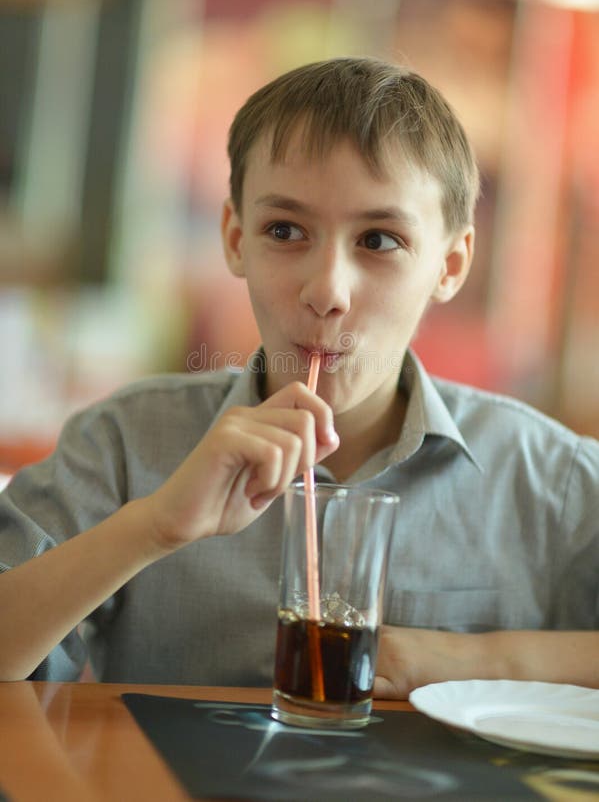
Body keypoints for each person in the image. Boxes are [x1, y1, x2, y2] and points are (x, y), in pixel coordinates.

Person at [0, 57, 598, 694]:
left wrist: (457, 662)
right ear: (235, 239)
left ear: (450, 265)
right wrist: (153, 527)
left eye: (380, 240)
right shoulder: (125, 442)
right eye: (284, 230)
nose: (327, 291)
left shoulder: (550, 480)